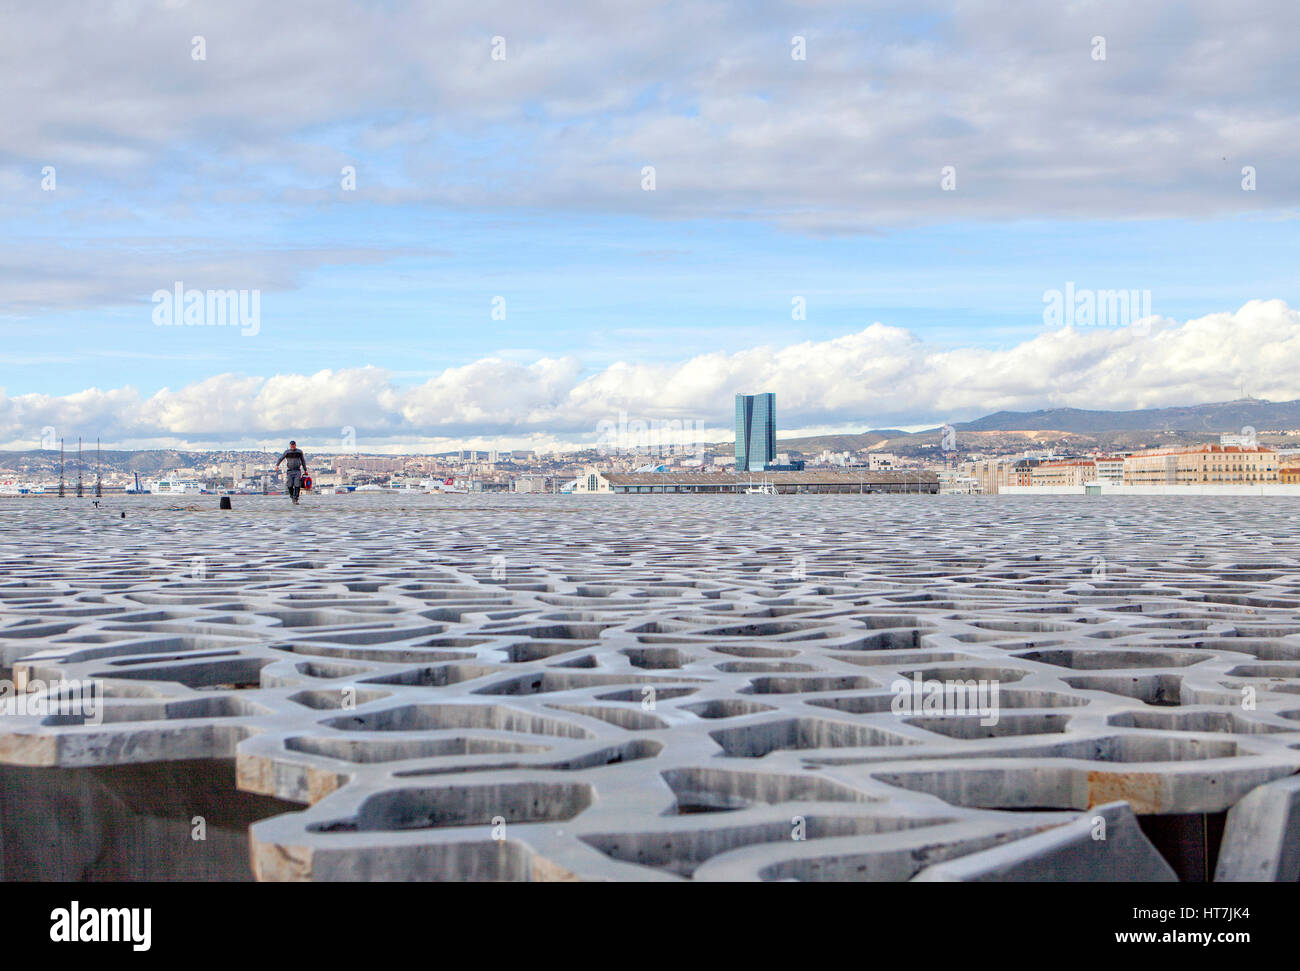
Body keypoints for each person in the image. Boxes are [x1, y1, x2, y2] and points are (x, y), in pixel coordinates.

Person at [274, 440, 309, 505]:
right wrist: (277, 465)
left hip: (297, 471)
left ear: (295, 445)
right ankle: (292, 496)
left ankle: (296, 499)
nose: (292, 447)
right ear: (290, 446)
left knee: (297, 485)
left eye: (293, 446)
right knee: (289, 485)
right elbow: (280, 459)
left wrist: (305, 470)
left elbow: (303, 461)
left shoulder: (299, 452)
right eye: (291, 446)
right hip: (290, 471)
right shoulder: (287, 452)